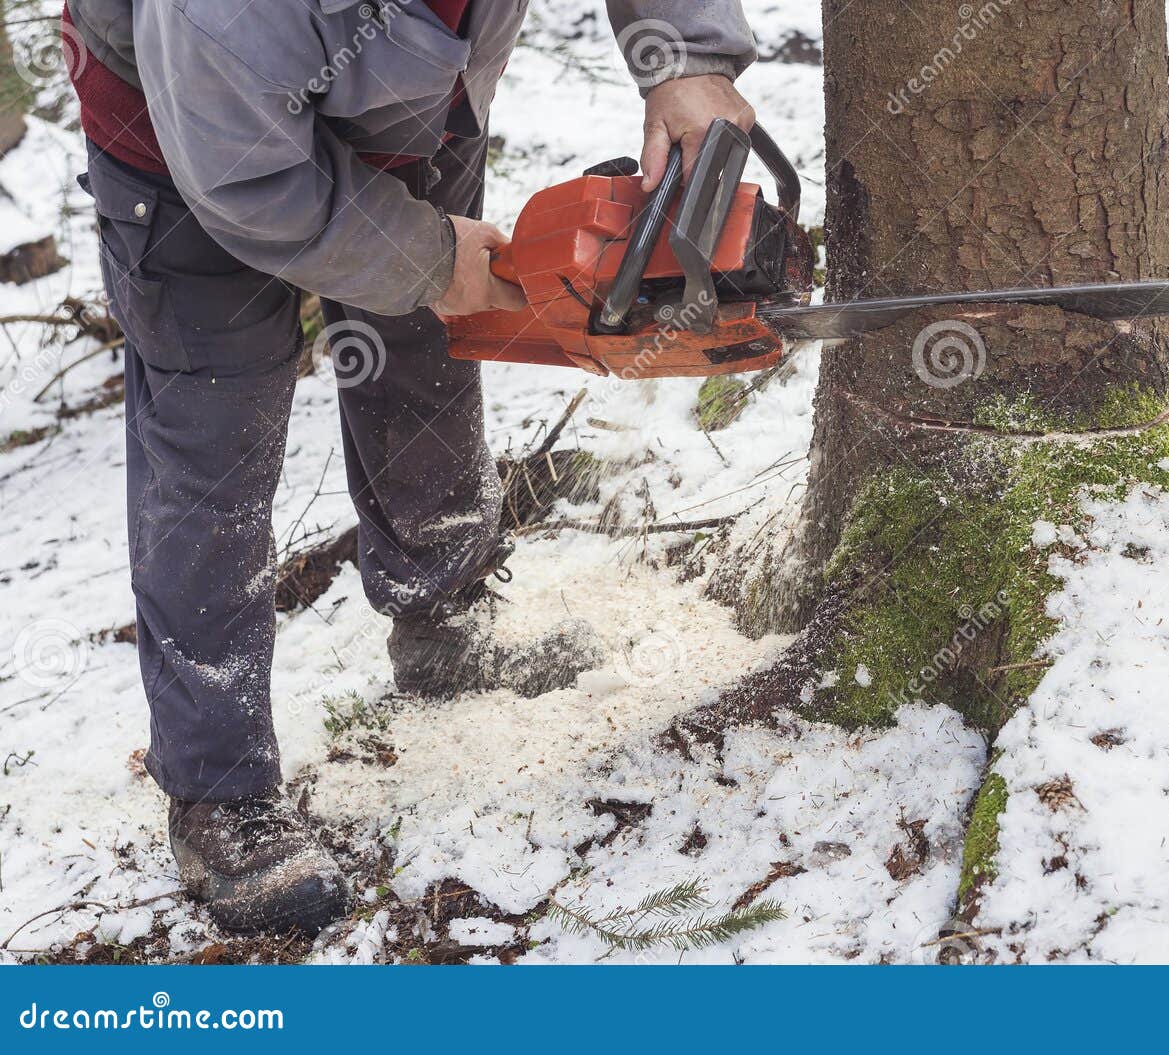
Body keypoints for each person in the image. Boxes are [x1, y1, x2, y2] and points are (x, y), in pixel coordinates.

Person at [62, 0, 759, 934]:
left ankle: (443, 613)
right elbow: (250, 180)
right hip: (195, 142)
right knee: (212, 436)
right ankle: (218, 791)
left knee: (424, 346)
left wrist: (685, 56)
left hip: (413, 91)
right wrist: (427, 258)